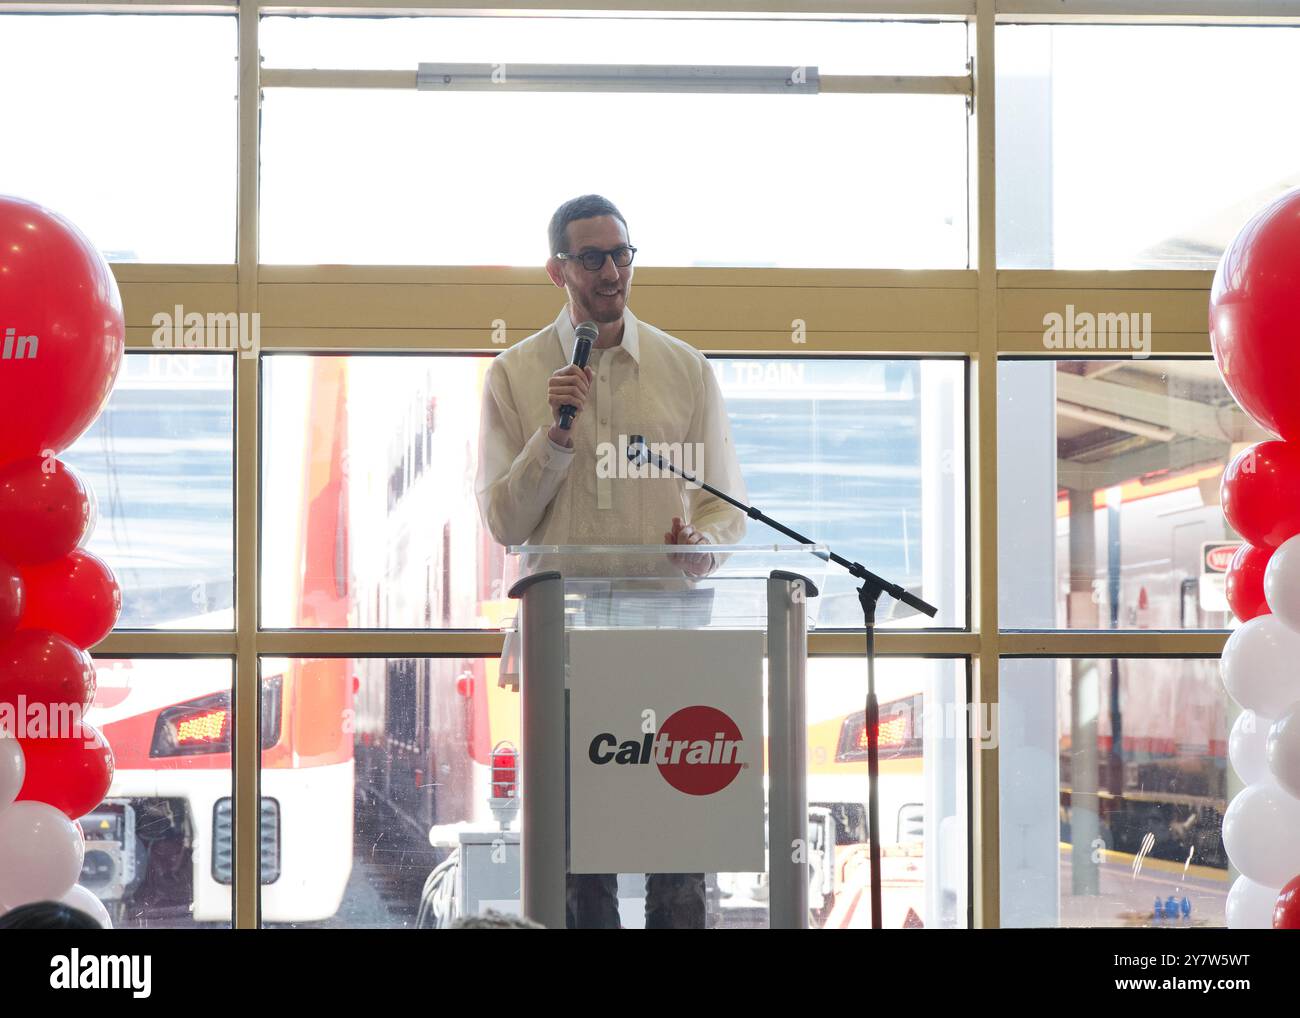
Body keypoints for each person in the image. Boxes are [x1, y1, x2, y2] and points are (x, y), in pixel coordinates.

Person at [474, 194, 748, 929]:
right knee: (578, 869)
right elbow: (504, 520)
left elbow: (726, 508)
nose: (612, 270)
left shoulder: (685, 371)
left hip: (669, 647)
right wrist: (552, 437)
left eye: (622, 253)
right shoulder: (516, 375)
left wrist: (703, 549)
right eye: (592, 257)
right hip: (566, 657)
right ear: (557, 269)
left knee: (678, 860)